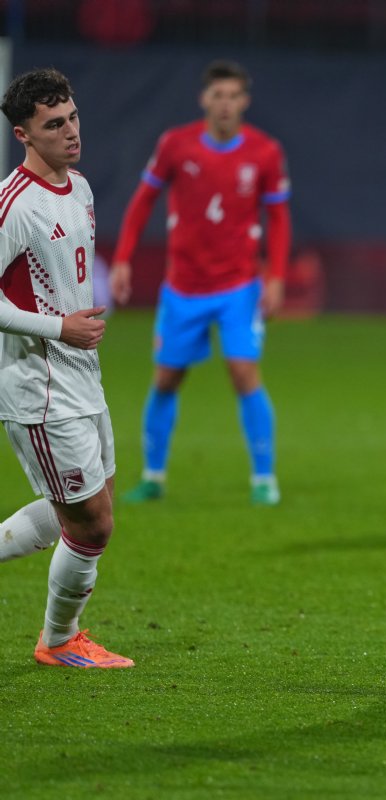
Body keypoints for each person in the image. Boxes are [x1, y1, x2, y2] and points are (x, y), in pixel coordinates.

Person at [109, 60, 292, 506]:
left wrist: (277, 276)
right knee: (167, 377)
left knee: (243, 370)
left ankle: (264, 479)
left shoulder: (265, 152)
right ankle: (153, 476)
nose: (225, 104)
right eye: (218, 96)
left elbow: (280, 218)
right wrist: (122, 260)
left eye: (233, 96)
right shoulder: (176, 144)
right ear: (204, 98)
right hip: (184, 286)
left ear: (244, 101)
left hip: (239, 285)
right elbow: (142, 201)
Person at [0, 68, 134, 668]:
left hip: (83, 376)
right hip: (40, 388)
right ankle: (58, 639)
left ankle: (61, 638)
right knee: (93, 525)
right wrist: (61, 329)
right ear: (24, 135)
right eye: (54, 125)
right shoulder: (14, 205)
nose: (71, 132)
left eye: (73, 117)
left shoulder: (78, 187)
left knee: (85, 506)